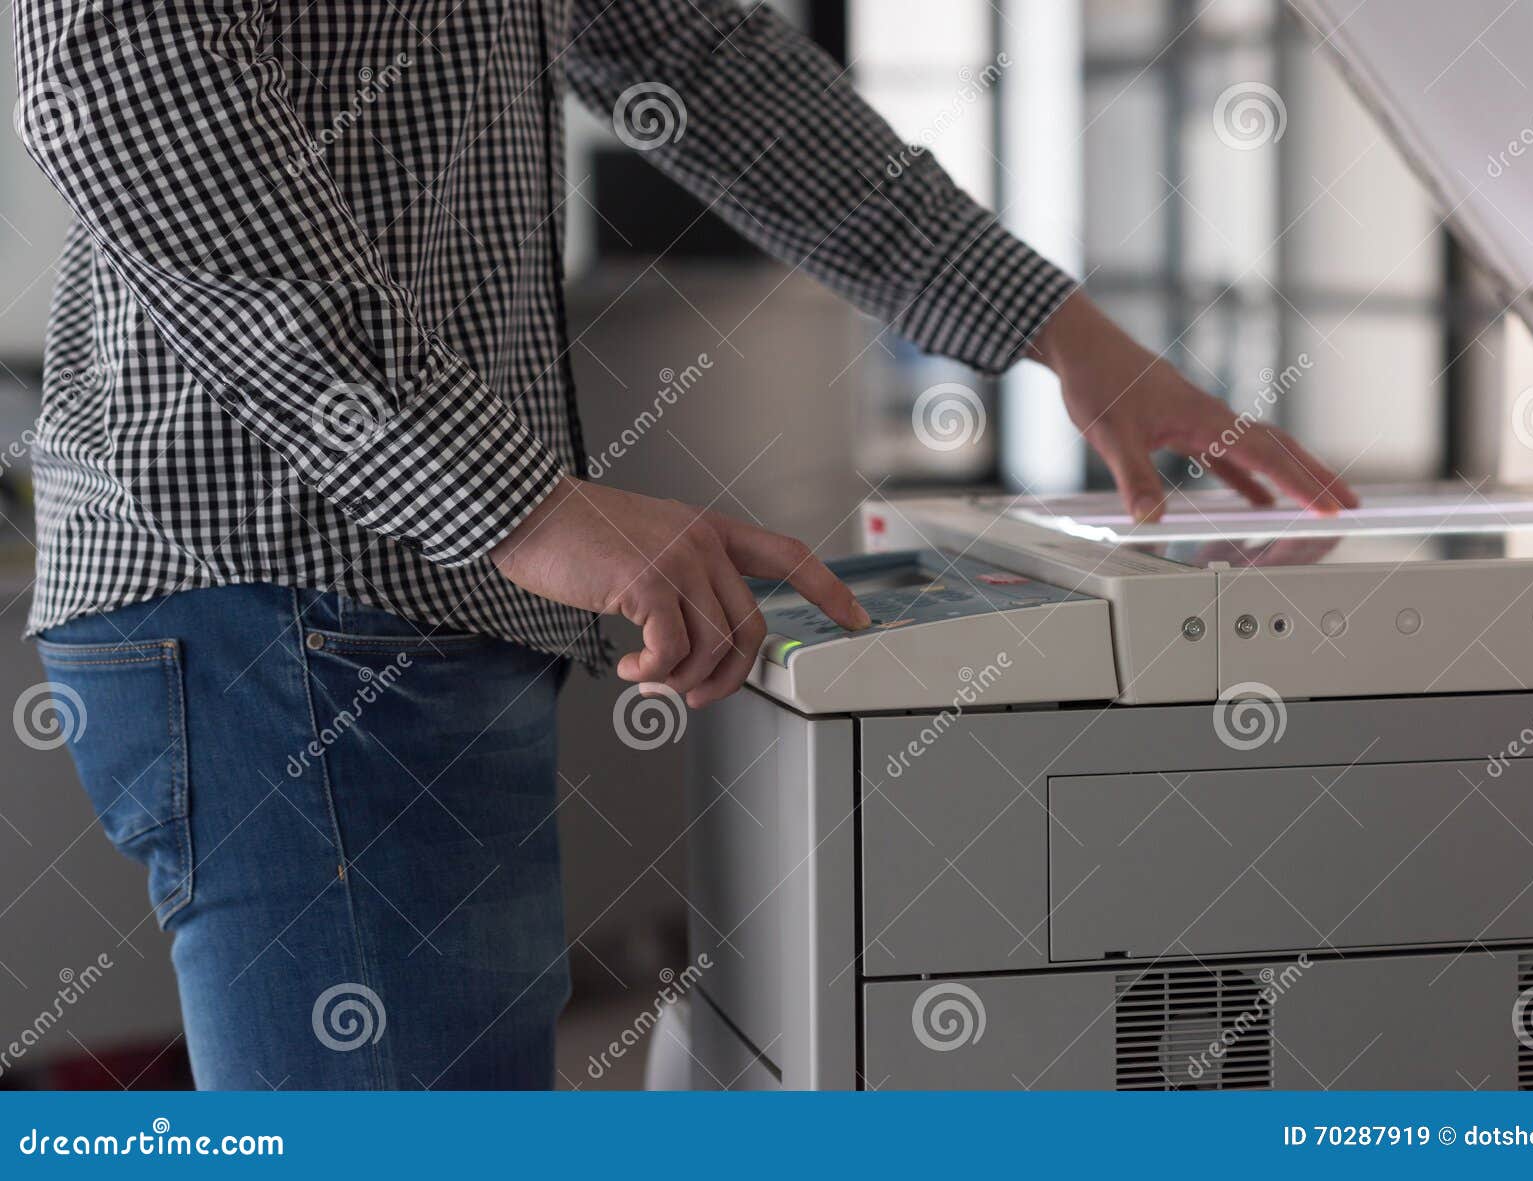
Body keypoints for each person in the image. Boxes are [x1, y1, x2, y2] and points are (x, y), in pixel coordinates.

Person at [13, 0, 1356, 1090]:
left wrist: (1067, 332)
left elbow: (693, 57)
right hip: (298, 573)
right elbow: (112, 73)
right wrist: (521, 502)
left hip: (394, 591)